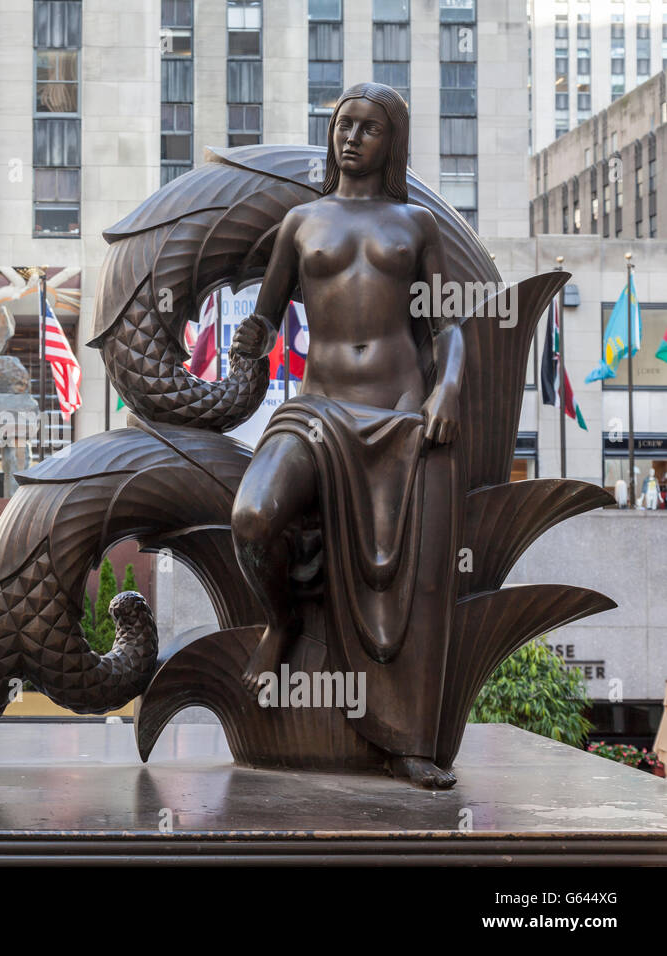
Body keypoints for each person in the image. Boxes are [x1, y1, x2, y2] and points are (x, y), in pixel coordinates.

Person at [229, 82, 463, 789]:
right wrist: (253, 337)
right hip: (317, 409)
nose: (350, 137)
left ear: (391, 142)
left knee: (411, 580)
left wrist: (449, 386)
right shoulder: (301, 222)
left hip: (397, 417)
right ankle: (280, 622)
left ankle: (409, 741)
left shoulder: (418, 225)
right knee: (251, 516)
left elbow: (449, 325)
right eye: (342, 124)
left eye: (367, 127)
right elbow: (266, 315)